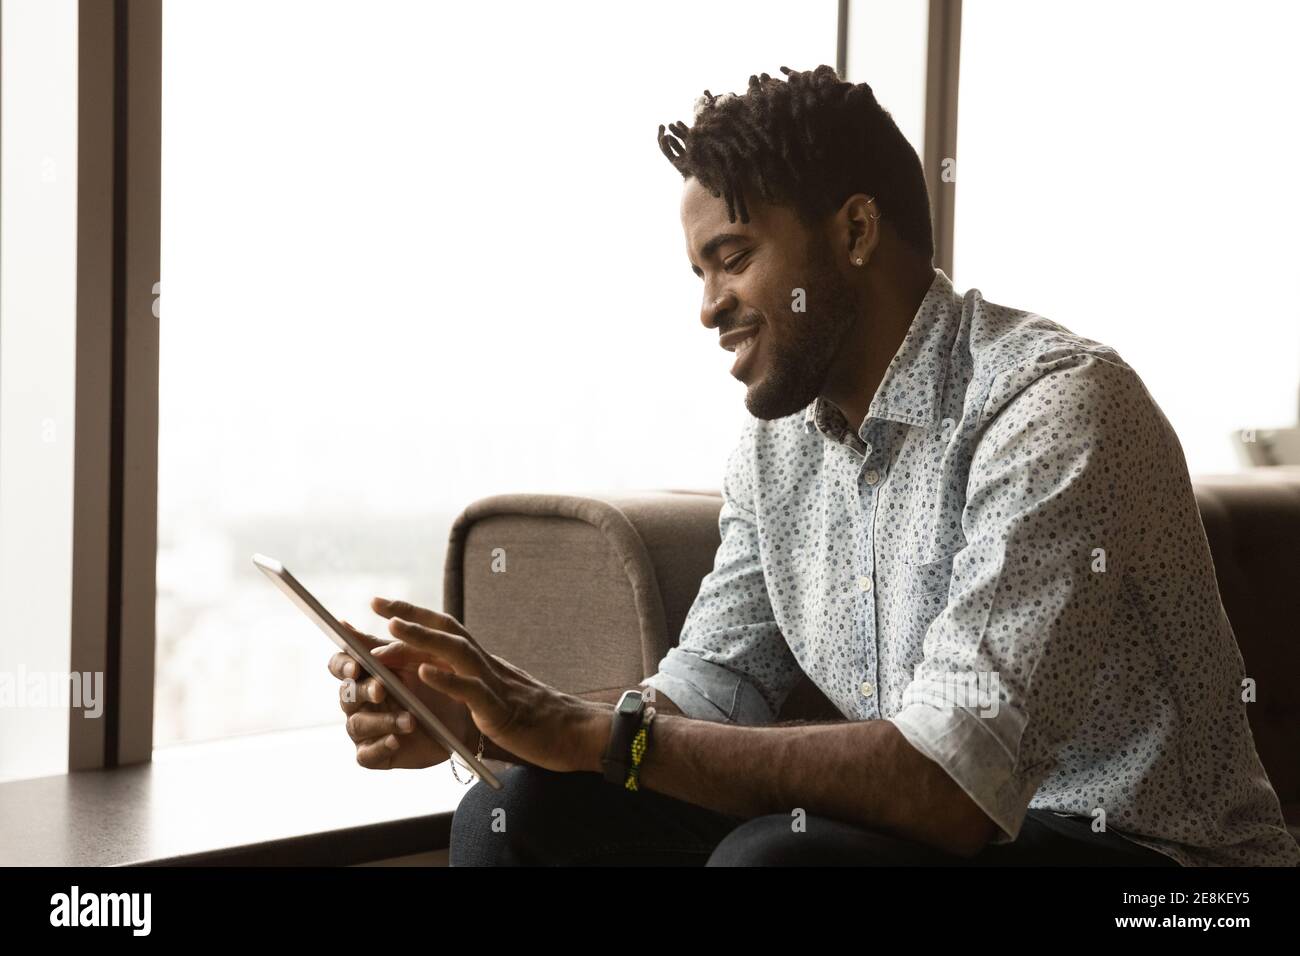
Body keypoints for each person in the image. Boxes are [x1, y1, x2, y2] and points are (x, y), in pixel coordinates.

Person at [327, 65, 1299, 867]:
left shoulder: (1050, 407)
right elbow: (706, 697)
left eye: (733, 254)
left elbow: (954, 781)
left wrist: (599, 734)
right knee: (524, 811)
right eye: (699, 269)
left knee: (777, 863)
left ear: (855, 231)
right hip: (955, 835)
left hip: (1162, 870)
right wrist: (488, 723)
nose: (707, 305)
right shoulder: (775, 445)